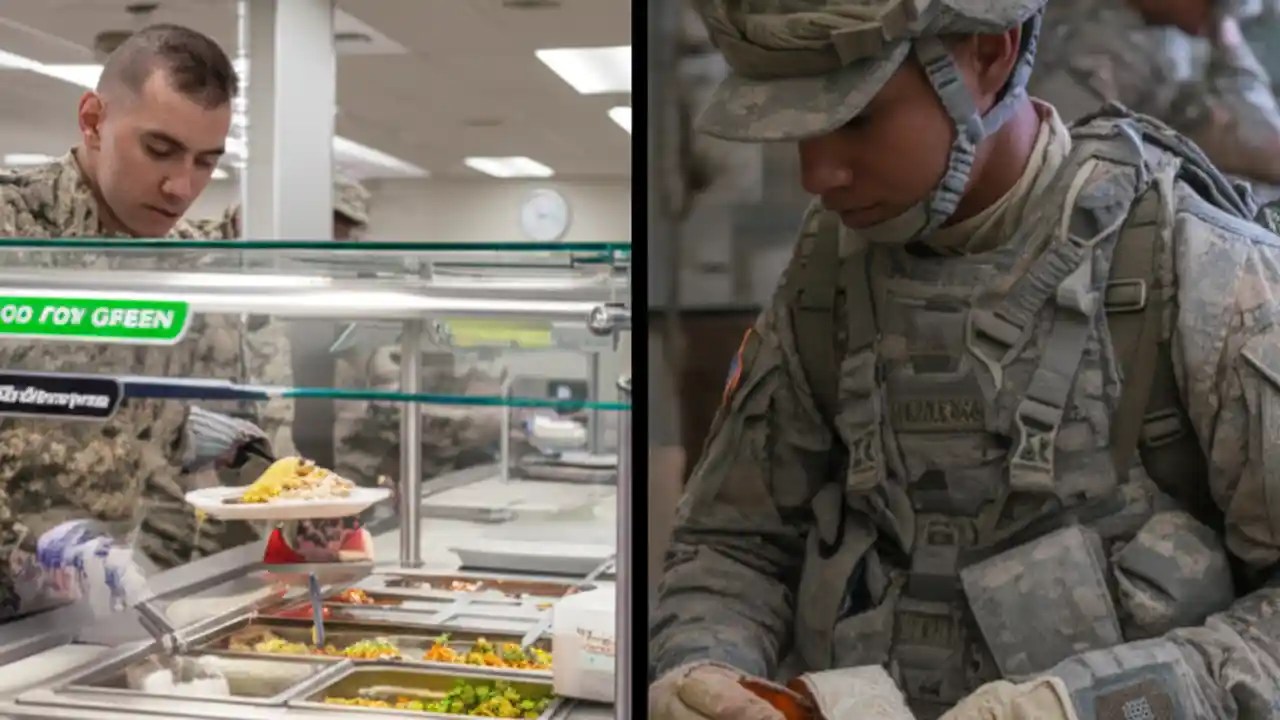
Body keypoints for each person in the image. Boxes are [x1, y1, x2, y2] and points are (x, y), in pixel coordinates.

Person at [651, 0, 1280, 718]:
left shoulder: (1199, 269)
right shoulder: (824, 276)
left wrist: (1083, 705)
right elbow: (731, 548)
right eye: (798, 129)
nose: (817, 173)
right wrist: (704, 669)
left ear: (990, 54)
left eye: (857, 118)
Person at [0, 24, 293, 616]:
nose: (181, 186)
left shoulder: (181, 266)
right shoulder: (12, 234)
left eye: (206, 163)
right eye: (159, 150)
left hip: (88, 617)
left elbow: (158, 455)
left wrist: (267, 488)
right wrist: (26, 560)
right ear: (92, 120)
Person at [1031, 0, 1280, 188]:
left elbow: (1266, 146)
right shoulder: (1100, 48)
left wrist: (1226, 36)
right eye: (1212, 5)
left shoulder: (1173, 34)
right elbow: (1055, 163)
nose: (1207, 22)